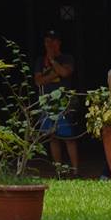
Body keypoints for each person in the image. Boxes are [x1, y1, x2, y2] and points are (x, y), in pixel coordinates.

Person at [34, 29, 80, 171]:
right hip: (47, 102)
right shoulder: (40, 61)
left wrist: (53, 61)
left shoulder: (67, 58)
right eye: (47, 41)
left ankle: (75, 169)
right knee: (52, 136)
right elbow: (38, 81)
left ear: (58, 43)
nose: (49, 45)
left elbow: (65, 72)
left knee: (69, 137)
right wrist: (54, 75)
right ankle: (59, 170)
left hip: (64, 102)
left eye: (52, 41)